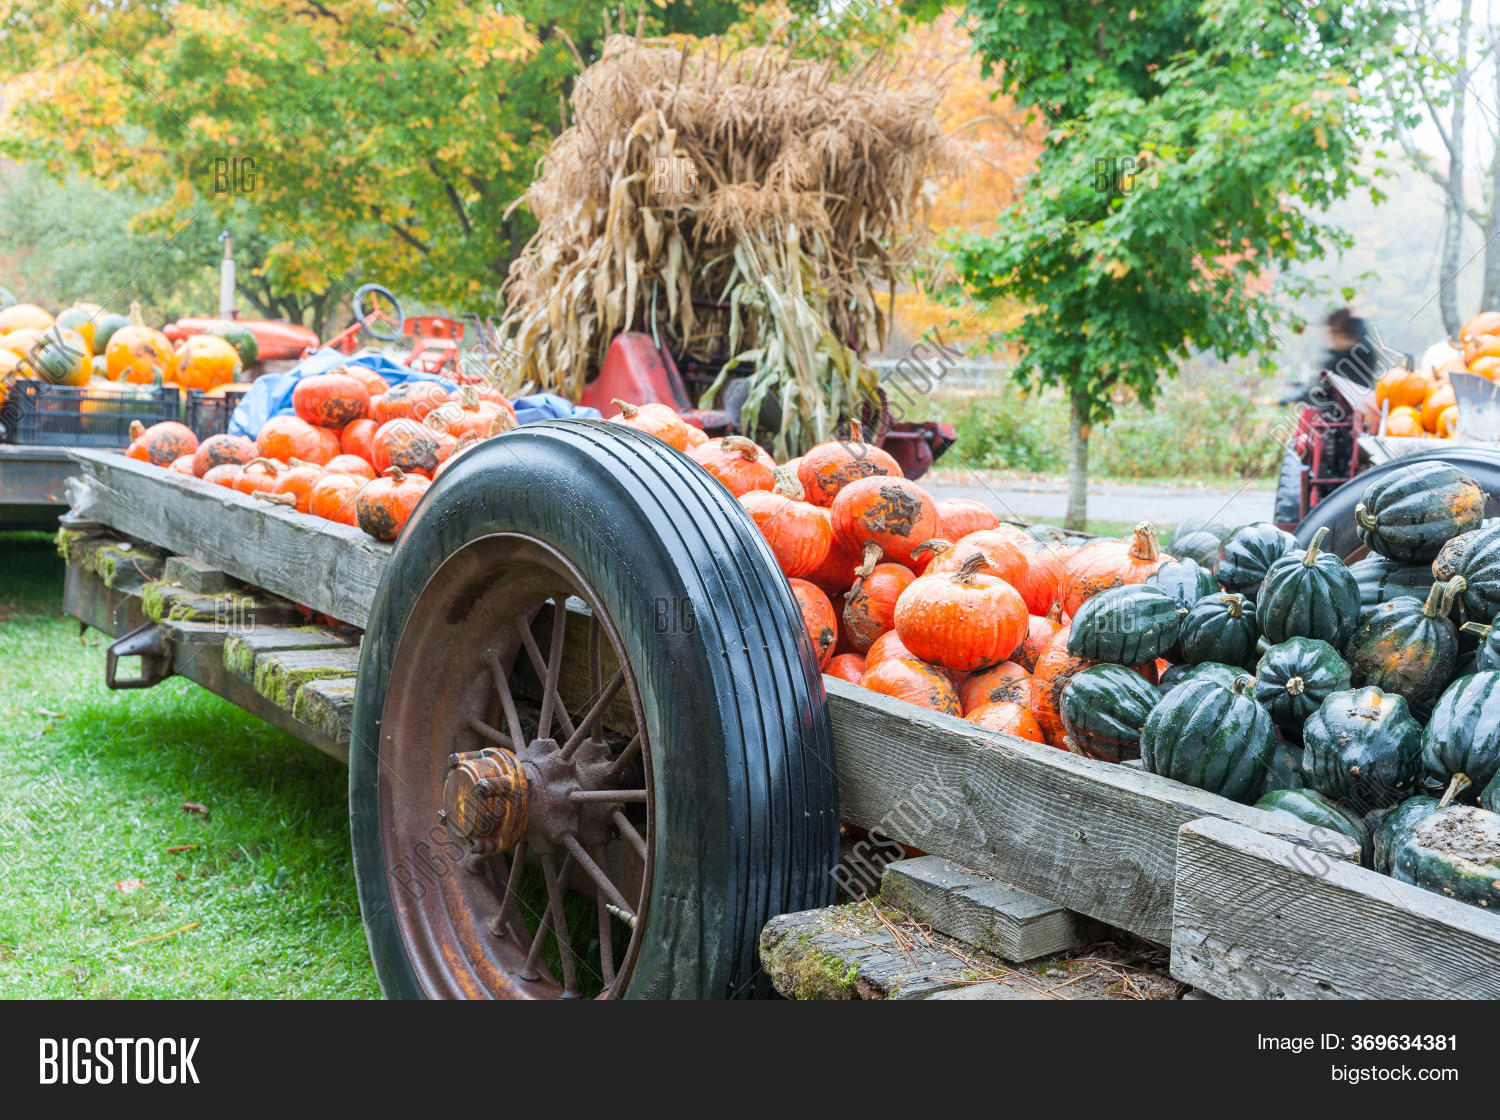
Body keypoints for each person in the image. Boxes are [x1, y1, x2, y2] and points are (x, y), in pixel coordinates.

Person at [1273, 308, 1386, 526]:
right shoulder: (1358, 353)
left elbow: (1321, 390)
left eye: (1332, 332)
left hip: (1344, 426)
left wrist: (1297, 397)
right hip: (1345, 423)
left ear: (1344, 333)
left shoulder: (1352, 355)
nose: (1328, 338)